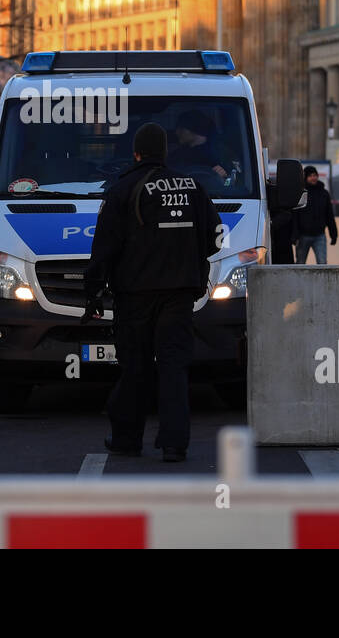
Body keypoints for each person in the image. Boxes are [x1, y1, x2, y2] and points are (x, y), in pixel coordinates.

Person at [84, 122, 222, 463]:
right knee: (174, 367)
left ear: (136, 153)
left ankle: (127, 439)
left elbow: (104, 249)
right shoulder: (192, 186)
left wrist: (93, 292)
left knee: (135, 367)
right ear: (164, 152)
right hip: (179, 294)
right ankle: (175, 443)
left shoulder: (123, 188)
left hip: (136, 296)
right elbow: (216, 236)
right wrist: (191, 261)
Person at [294, 165, 337, 264]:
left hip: (319, 235)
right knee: (300, 264)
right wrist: (294, 235)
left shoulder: (324, 194)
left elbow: (329, 215)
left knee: (322, 264)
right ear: (305, 178)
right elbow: (295, 215)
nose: (313, 178)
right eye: (310, 176)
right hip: (303, 236)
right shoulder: (301, 193)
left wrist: (333, 234)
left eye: (315, 175)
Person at [172, 111, 229, 180]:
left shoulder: (221, 155)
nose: (176, 132)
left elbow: (232, 182)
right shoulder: (178, 155)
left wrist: (224, 176)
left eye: (181, 128)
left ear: (192, 128)